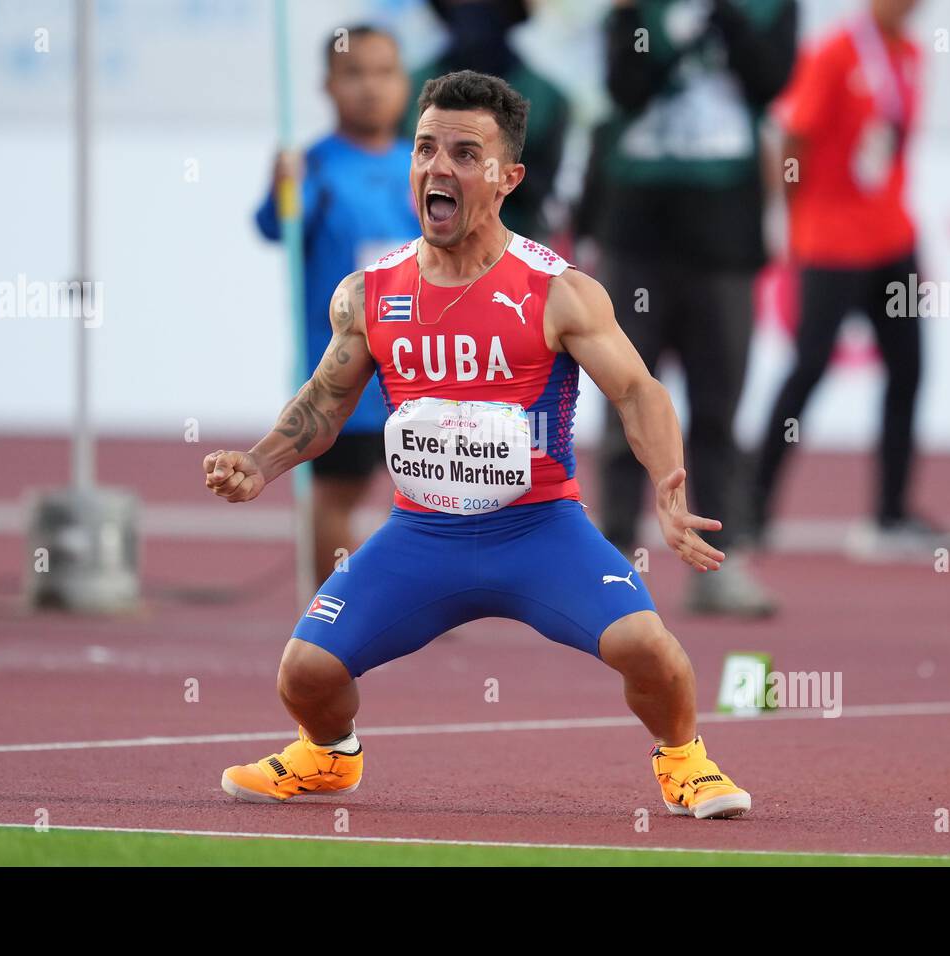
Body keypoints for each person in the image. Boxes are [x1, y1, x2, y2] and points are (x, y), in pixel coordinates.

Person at [206, 70, 751, 820]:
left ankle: (684, 761)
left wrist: (668, 484)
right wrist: (258, 463)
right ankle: (330, 756)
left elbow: (637, 391)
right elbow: (326, 401)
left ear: (507, 177)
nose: (439, 167)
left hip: (538, 529)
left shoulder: (557, 290)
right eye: (426, 148)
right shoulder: (370, 293)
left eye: (466, 153)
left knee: (649, 650)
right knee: (304, 674)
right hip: (421, 533)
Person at [585, 0, 797, 616]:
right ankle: (614, 561)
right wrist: (672, 35)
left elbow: (771, 79)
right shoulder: (636, 7)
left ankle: (717, 567)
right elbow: (625, 86)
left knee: (718, 409)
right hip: (638, 233)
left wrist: (723, 17)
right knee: (628, 401)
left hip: (725, 237)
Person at [749, 0, 941, 555]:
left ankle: (891, 513)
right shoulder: (834, 53)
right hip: (831, 243)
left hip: (892, 239)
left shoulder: (910, 54)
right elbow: (793, 139)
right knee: (809, 367)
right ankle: (753, 505)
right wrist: (796, 221)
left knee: (908, 368)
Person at [254, 25, 415, 583]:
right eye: (354, 74)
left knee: (444, 492)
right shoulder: (315, 167)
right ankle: (333, 612)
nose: (370, 88)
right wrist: (284, 187)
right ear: (328, 84)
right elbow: (277, 227)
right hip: (348, 373)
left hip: (424, 366)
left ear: (405, 82)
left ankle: (428, 601)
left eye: (384, 72)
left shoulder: (425, 166)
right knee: (336, 494)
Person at [400, 0, 568, 242]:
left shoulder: (547, 98)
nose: (474, 12)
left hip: (510, 249)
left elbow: (542, 188)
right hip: (418, 250)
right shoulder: (407, 88)